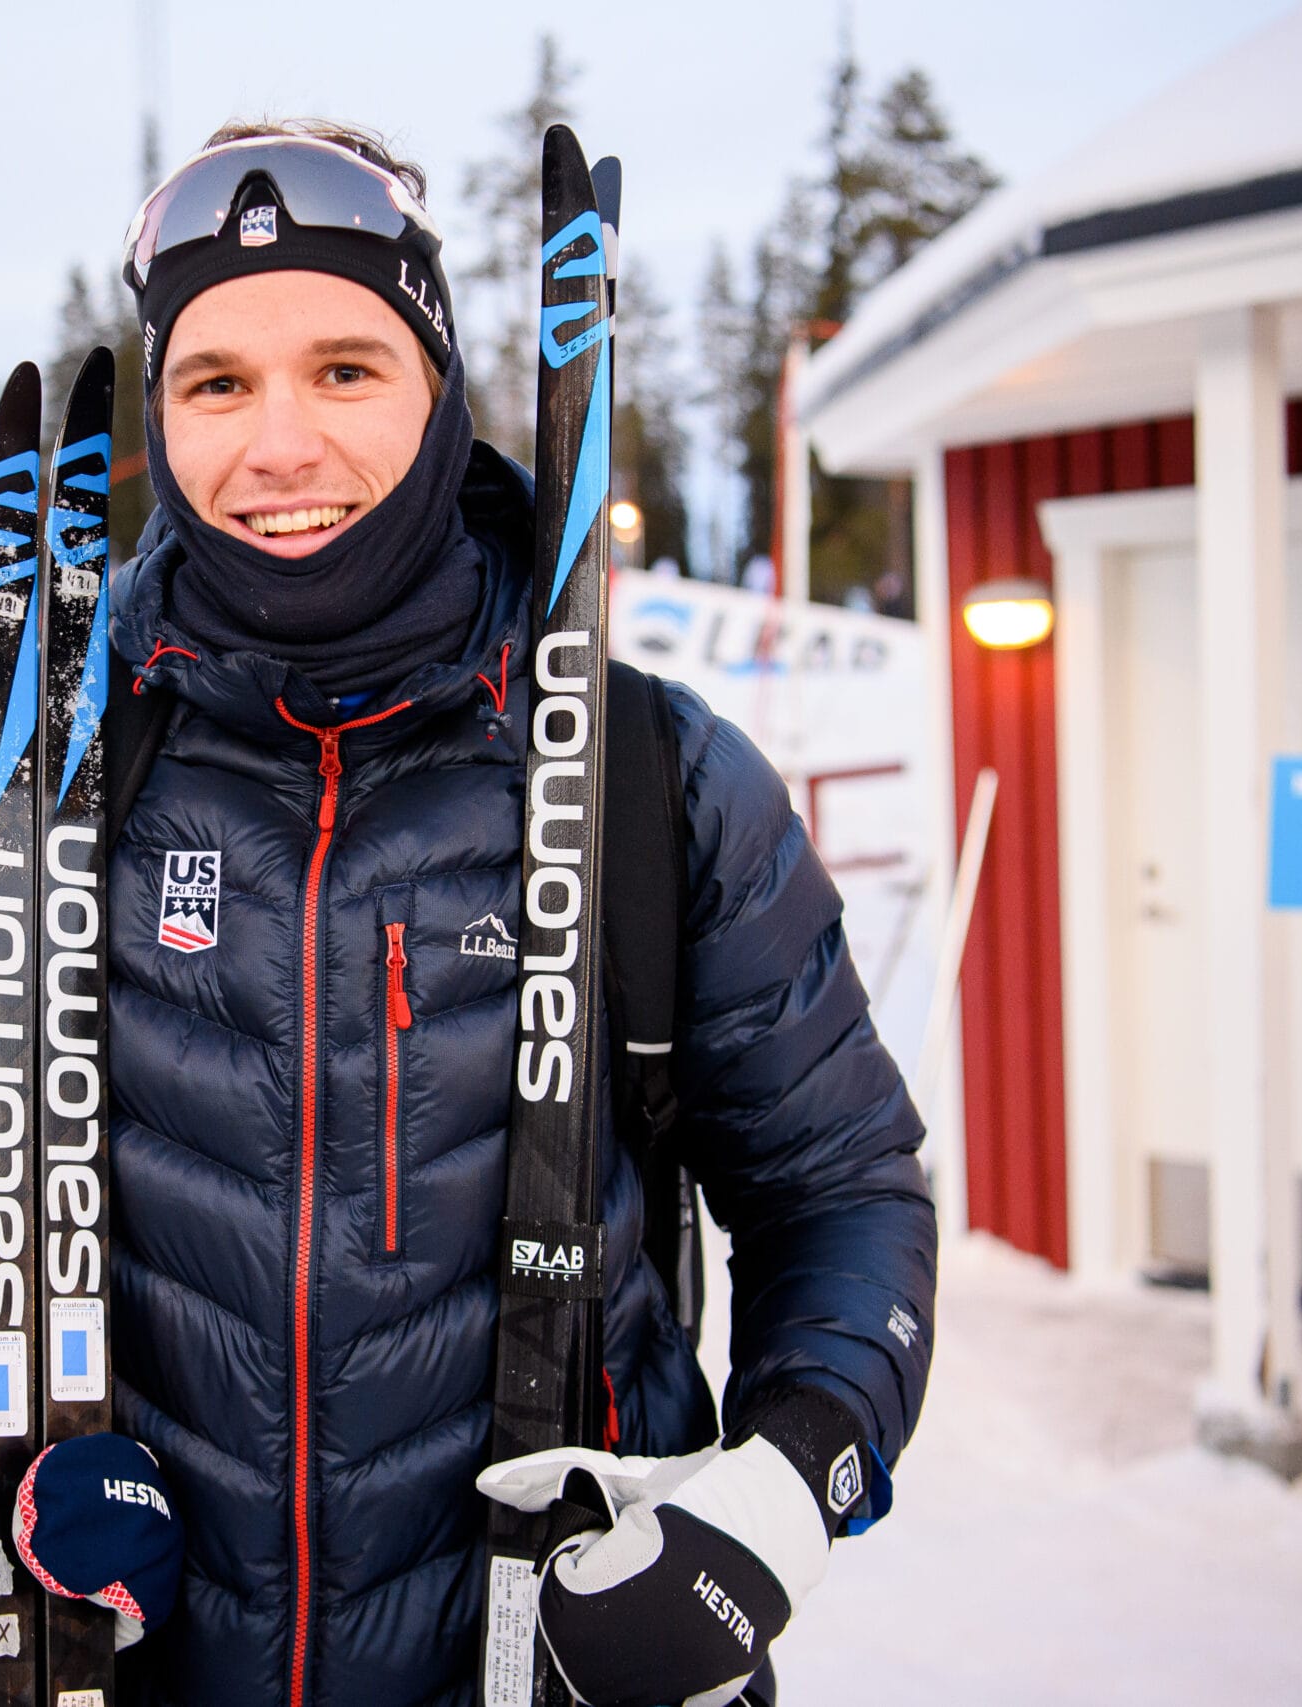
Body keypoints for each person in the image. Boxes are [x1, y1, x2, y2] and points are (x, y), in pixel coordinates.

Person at [54, 122, 939, 1706]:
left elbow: (843, 1184)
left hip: (561, 1646)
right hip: (148, 1656)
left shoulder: (649, 772)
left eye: (343, 368)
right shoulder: (51, 773)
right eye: (216, 382)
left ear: (441, 383)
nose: (278, 444)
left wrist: (791, 1483)